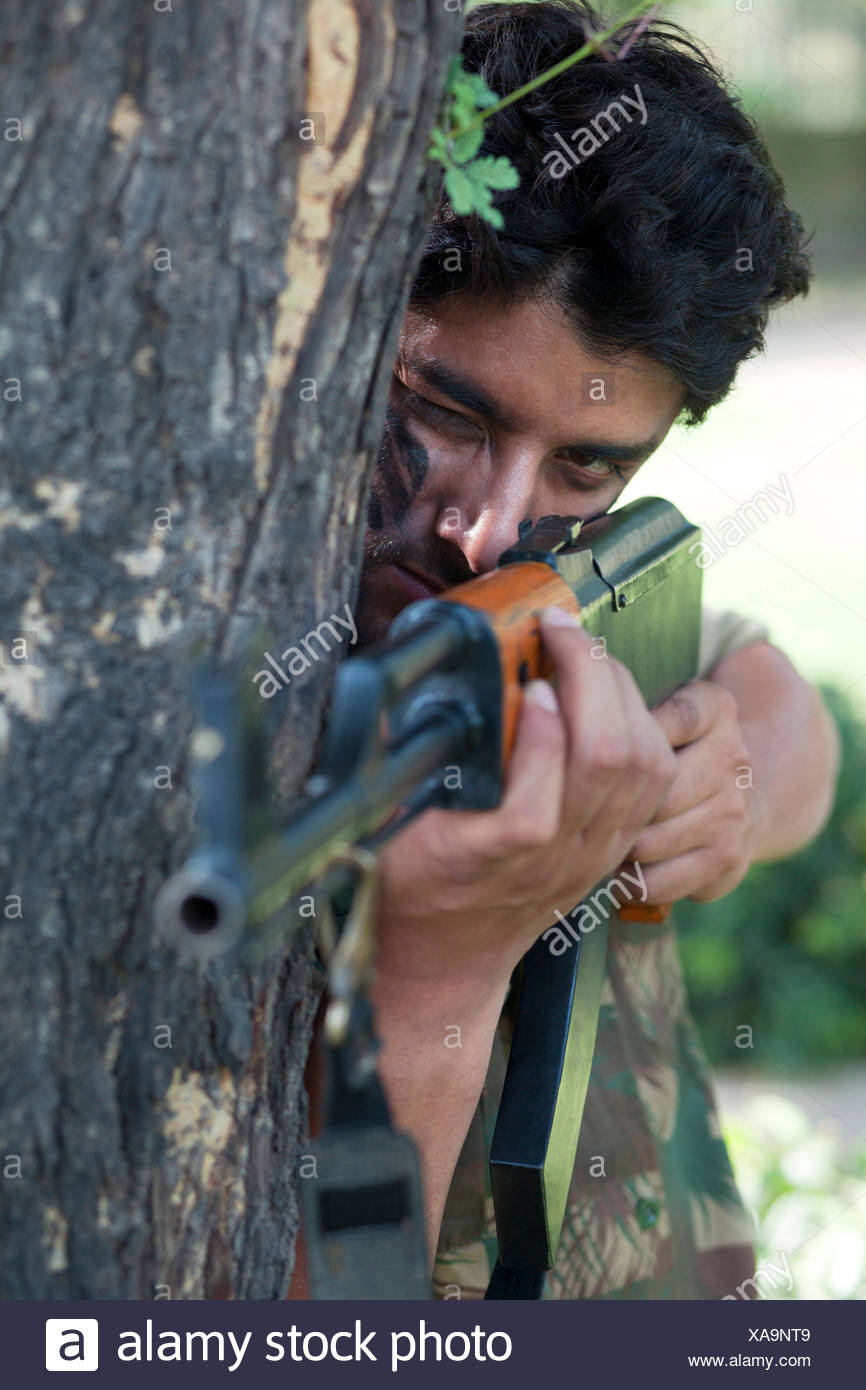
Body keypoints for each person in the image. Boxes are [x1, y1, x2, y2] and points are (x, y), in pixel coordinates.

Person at [293, 1, 839, 1300]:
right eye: (437, 404)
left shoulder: (566, 604)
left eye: (588, 462)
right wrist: (441, 963)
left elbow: (774, 698)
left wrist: (731, 780)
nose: (484, 526)